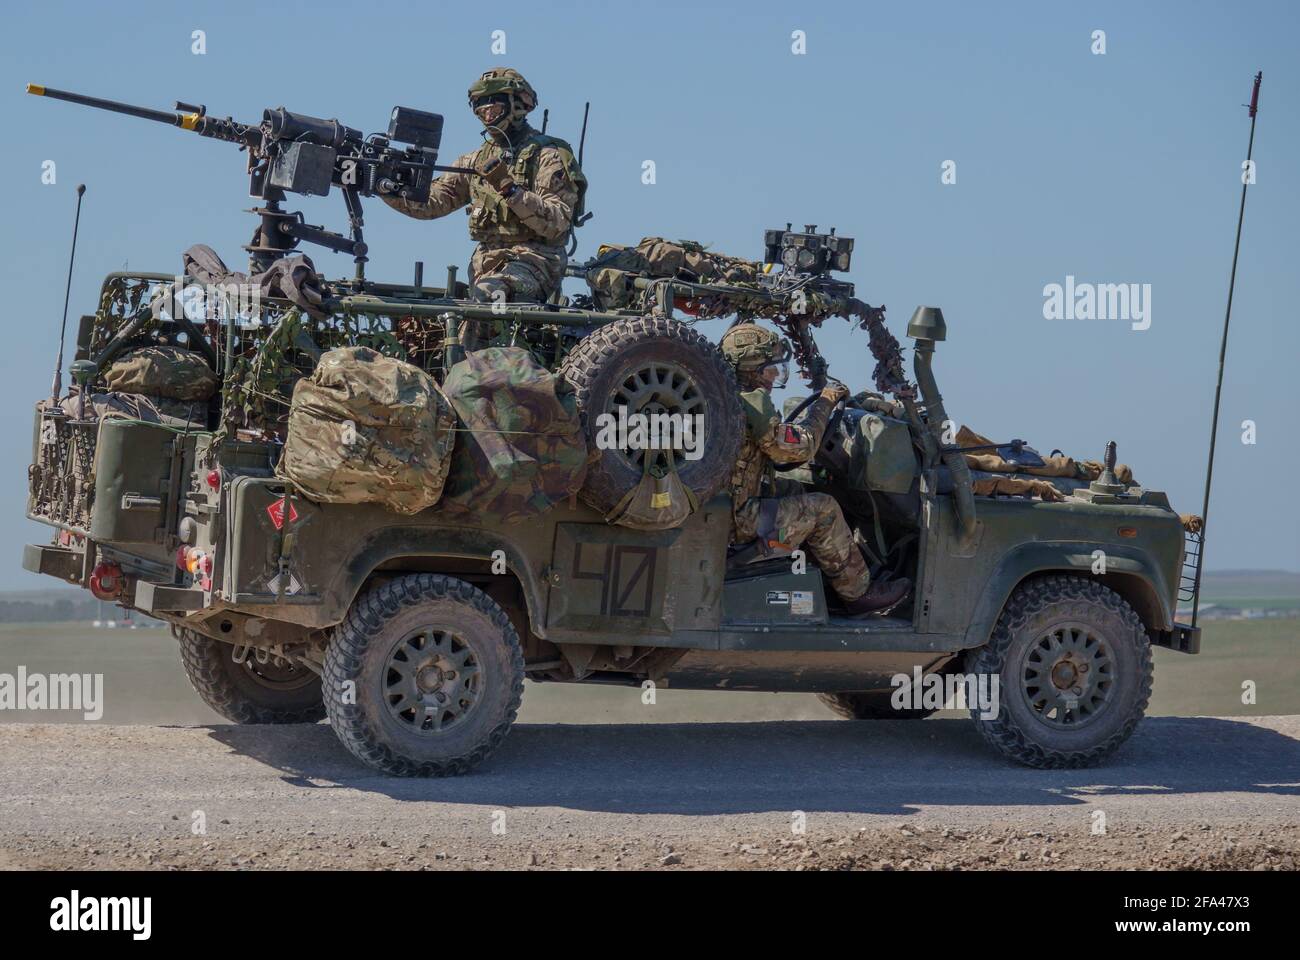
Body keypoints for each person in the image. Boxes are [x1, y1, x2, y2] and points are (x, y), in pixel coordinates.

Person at [719, 323, 912, 616]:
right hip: (740, 520)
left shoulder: (719, 393)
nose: (773, 377)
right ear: (751, 368)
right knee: (824, 508)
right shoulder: (752, 403)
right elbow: (802, 446)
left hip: (725, 508)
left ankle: (817, 573)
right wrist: (824, 403)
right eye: (769, 369)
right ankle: (859, 594)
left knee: (798, 489)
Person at [380, 68, 586, 306]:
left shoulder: (547, 156)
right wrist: (387, 186)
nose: (488, 117)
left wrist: (509, 189)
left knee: (486, 297)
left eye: (494, 109)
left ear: (518, 106)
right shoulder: (475, 160)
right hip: (485, 267)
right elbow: (433, 203)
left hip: (536, 262)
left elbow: (557, 223)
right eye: (481, 111)